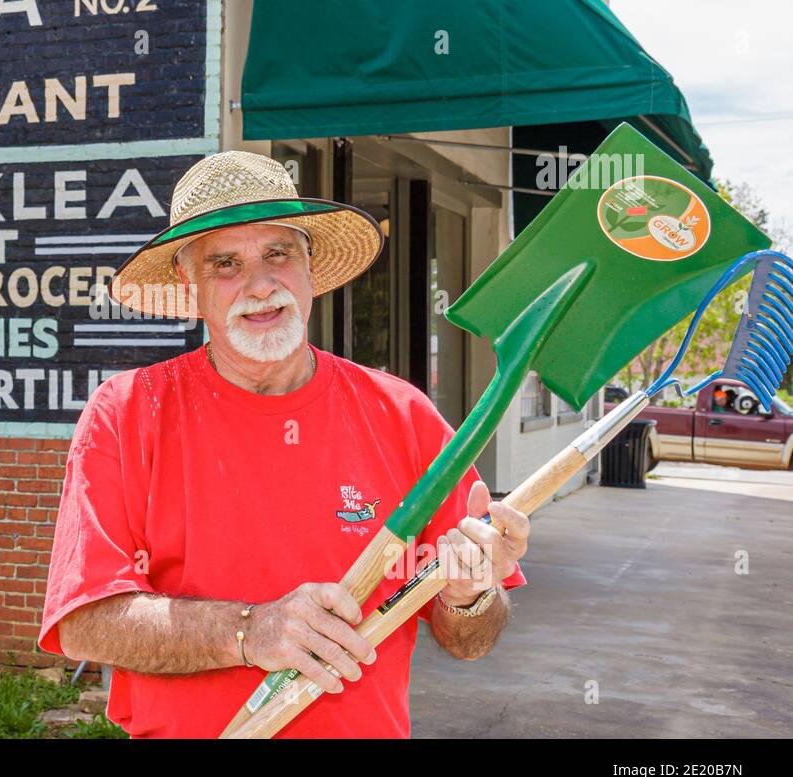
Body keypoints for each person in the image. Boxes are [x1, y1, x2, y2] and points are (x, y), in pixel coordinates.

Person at [38, 151, 528, 738]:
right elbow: (86, 622)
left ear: (310, 268)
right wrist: (252, 630)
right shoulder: (127, 414)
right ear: (191, 288)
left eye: (279, 253)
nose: (261, 285)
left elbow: (471, 640)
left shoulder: (404, 417)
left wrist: (472, 593)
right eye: (225, 263)